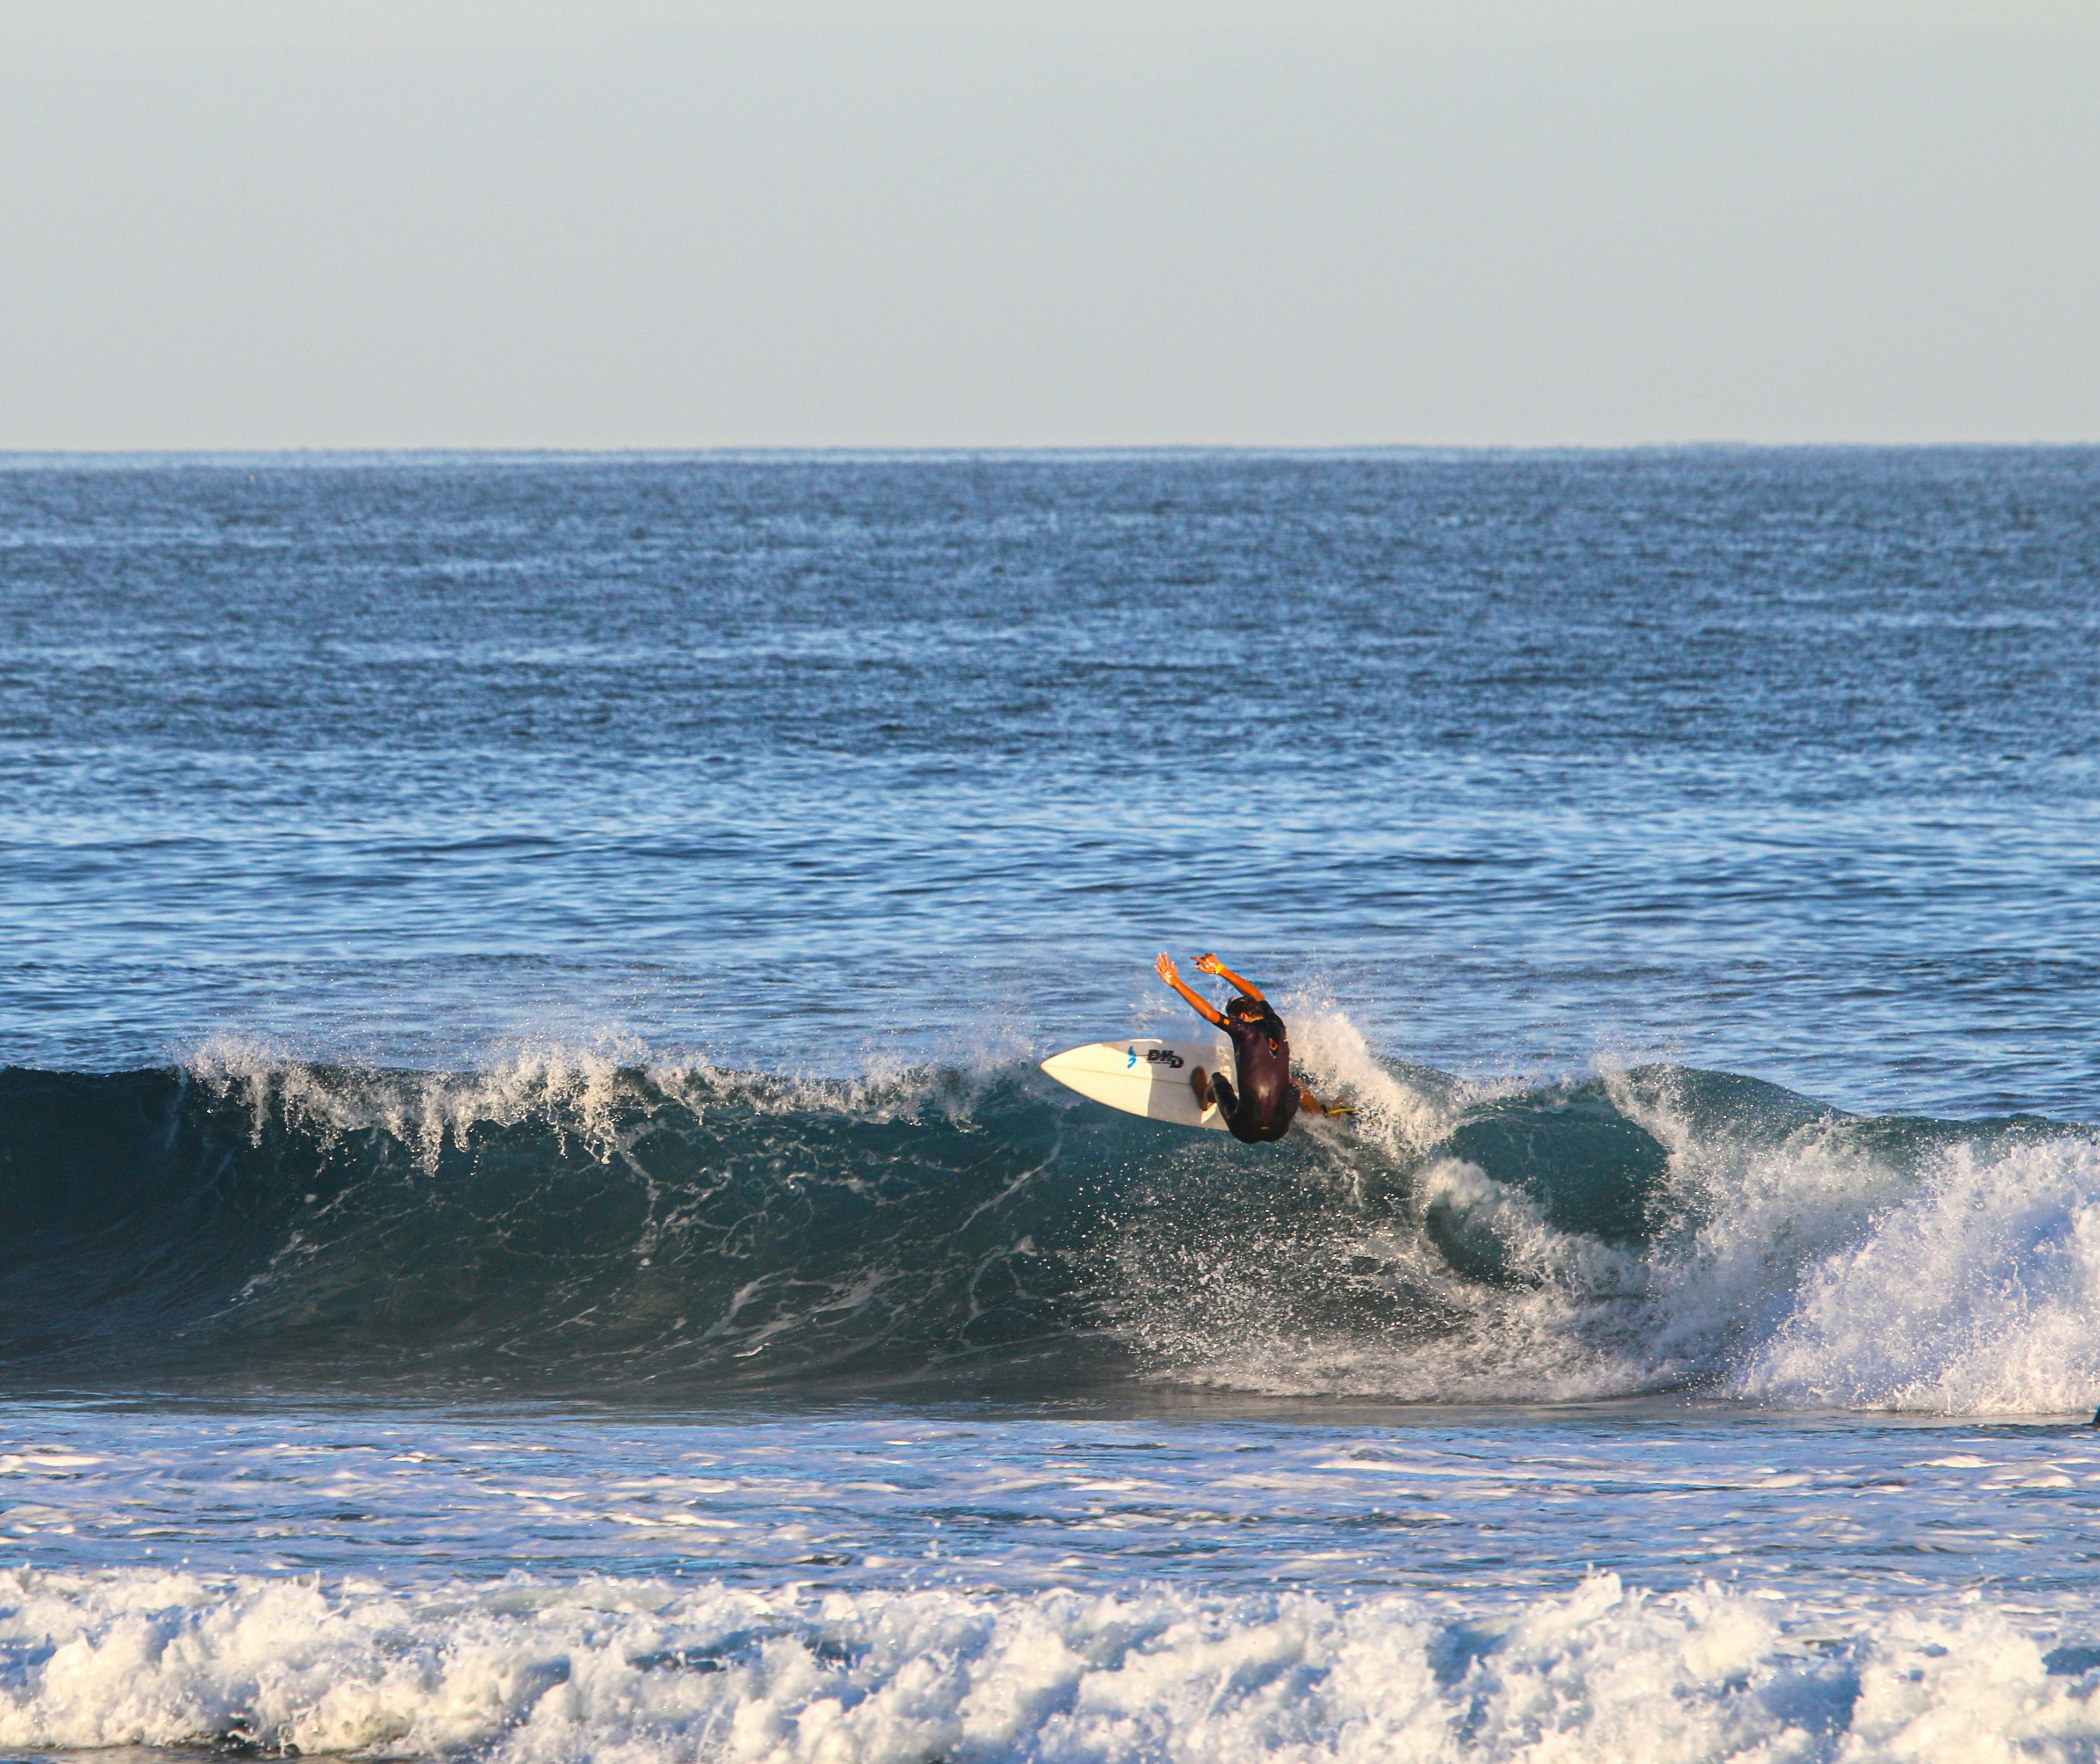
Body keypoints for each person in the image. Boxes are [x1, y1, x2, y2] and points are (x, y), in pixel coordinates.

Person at [1153, 951, 1342, 1143]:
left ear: (1243, 1018)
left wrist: (1175, 983)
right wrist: (1220, 970)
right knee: (1298, 1087)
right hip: (1279, 1129)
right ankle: (1322, 1117)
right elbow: (1256, 995)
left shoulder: (1243, 1031)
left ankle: (1204, 1099)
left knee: (1218, 1079)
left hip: (1244, 1129)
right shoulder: (1277, 1025)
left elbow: (1210, 1014)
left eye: (1234, 1020)